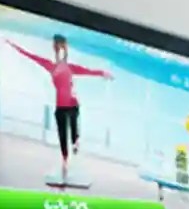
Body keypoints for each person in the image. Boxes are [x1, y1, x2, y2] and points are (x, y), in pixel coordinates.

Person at [6, 35, 113, 179]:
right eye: (58, 49)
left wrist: (103, 73)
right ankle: (65, 158)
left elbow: (89, 71)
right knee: (63, 134)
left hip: (72, 103)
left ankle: (75, 142)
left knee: (73, 128)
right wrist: (13, 45)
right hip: (60, 107)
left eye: (62, 49)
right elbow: (31, 56)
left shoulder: (71, 67)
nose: (60, 53)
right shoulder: (50, 66)